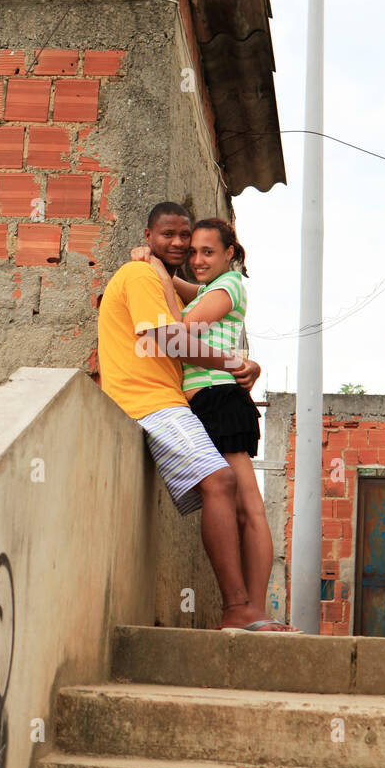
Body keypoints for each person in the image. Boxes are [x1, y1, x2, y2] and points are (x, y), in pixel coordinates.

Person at [97, 201, 298, 633]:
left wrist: (241, 364)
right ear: (147, 236)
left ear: (230, 254)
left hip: (183, 399)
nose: (181, 245)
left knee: (233, 492)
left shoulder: (209, 286)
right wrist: (234, 362)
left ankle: (243, 608)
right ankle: (240, 608)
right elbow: (170, 337)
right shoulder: (139, 275)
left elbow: (179, 323)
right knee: (225, 485)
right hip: (152, 401)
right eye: (168, 236)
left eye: (186, 237)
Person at [131, 218, 273, 615]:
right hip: (209, 400)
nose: (196, 260)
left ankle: (255, 611)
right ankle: (250, 610)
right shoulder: (209, 289)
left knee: (249, 508)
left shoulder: (229, 285)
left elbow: (180, 328)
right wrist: (156, 262)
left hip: (220, 398)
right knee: (240, 505)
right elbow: (182, 290)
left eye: (207, 252)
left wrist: (158, 269)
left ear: (230, 253)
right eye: (191, 252)